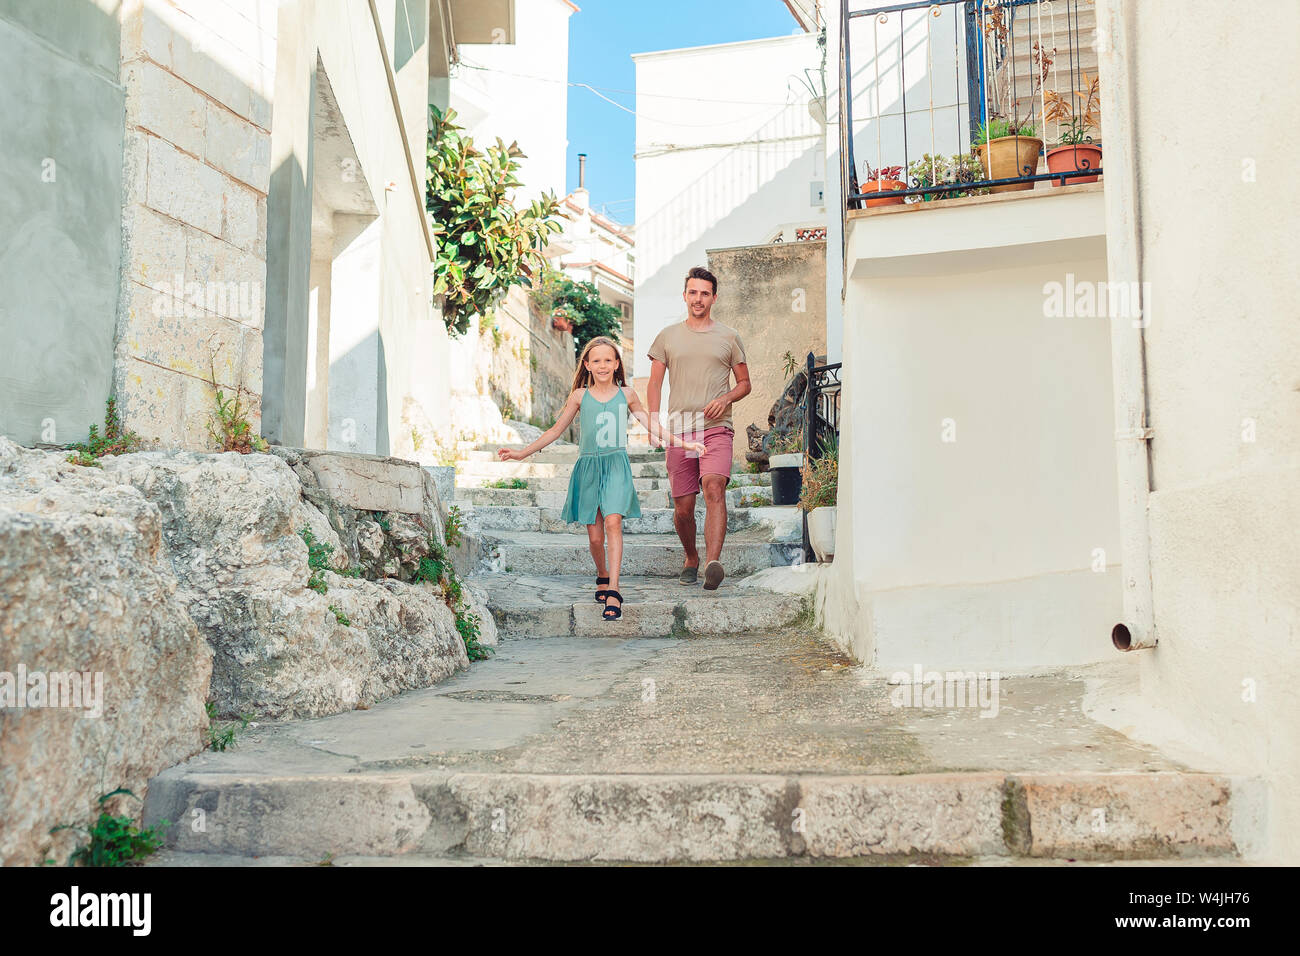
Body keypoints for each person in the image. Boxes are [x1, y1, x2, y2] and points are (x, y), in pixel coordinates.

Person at [499, 336, 704, 620]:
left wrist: (684, 444)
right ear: (586, 365)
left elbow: (651, 424)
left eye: (609, 359)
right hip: (588, 469)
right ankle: (602, 573)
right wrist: (522, 453)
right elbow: (555, 431)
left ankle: (615, 591)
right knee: (595, 538)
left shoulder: (628, 394)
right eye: (596, 360)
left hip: (616, 466)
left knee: (613, 522)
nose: (603, 365)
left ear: (617, 363)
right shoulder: (579, 397)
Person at [646, 266, 751, 591]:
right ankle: (691, 556)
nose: (698, 298)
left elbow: (745, 383)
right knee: (684, 508)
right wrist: (653, 422)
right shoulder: (668, 336)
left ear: (714, 298)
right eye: (693, 292)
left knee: (714, 487)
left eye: (705, 293)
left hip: (716, 428)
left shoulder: (729, 337)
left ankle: (711, 564)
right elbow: (654, 382)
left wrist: (726, 397)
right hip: (680, 430)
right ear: (685, 295)